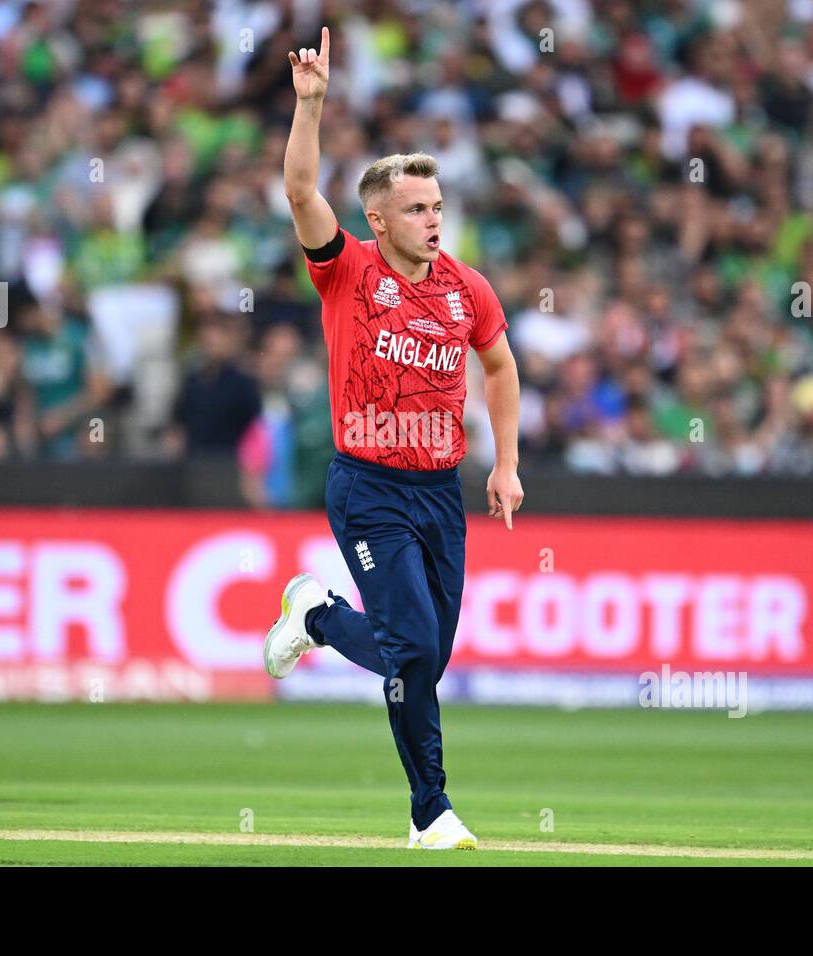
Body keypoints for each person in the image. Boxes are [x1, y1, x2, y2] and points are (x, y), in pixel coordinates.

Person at [264, 27, 524, 850]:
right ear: (378, 218)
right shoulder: (347, 269)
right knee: (411, 650)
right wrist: (310, 107)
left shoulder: (466, 288)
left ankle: (315, 614)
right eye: (416, 209)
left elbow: (502, 368)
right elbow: (302, 192)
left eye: (439, 206)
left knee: (424, 662)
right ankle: (431, 812)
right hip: (368, 485)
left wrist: (507, 462)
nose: (433, 220)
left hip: (439, 490)